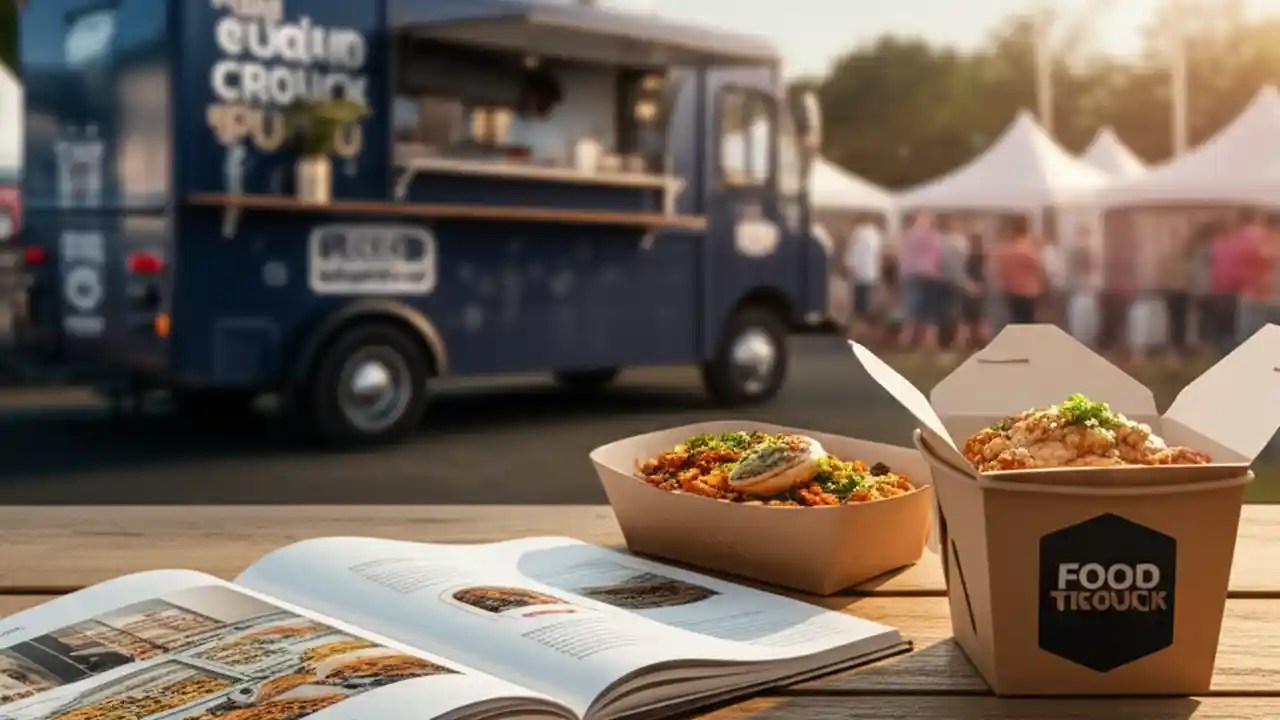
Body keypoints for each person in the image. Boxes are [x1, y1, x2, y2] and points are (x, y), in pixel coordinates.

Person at [899, 212, 943, 351]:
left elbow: (904, 257)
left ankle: (907, 339)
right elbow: (937, 256)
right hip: (929, 274)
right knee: (928, 310)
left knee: (912, 308)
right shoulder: (932, 236)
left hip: (913, 274)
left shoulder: (908, 236)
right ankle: (929, 341)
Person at [506, 68, 567, 165]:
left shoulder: (554, 129)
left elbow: (554, 162)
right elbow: (512, 156)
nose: (527, 100)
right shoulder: (515, 120)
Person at [994, 216, 1043, 325]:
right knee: (1029, 323)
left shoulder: (1004, 250)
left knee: (1014, 322)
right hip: (1029, 291)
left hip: (1010, 292)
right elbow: (1039, 268)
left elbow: (1000, 272)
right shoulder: (1030, 249)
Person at [844, 219, 883, 340]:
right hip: (871, 274)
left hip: (859, 274)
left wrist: (849, 267)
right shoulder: (876, 235)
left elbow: (851, 255)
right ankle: (865, 333)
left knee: (858, 306)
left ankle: (858, 332)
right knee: (867, 305)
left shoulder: (857, 234)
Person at [1160, 223, 1195, 357]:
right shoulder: (1170, 256)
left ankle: (1180, 347)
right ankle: (1174, 348)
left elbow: (1189, 274)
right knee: (1174, 321)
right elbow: (1164, 272)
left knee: (1183, 321)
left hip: (1183, 291)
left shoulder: (1187, 256)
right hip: (1172, 291)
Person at [938, 215, 969, 349]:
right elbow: (965, 261)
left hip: (941, 279)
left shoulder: (939, 241)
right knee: (956, 310)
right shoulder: (961, 241)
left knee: (943, 310)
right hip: (956, 279)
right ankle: (955, 340)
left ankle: (944, 340)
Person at [955, 233, 989, 350]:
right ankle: (979, 342)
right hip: (979, 289)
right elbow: (985, 274)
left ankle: (964, 343)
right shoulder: (983, 257)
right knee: (978, 318)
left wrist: (968, 285)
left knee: (967, 319)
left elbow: (963, 274)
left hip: (969, 289)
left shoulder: (968, 258)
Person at [1188, 221, 1218, 353]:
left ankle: (1201, 344)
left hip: (1199, 288)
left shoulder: (1196, 248)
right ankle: (1205, 345)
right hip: (1208, 288)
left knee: (1200, 318)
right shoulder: (1211, 247)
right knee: (1207, 318)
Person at [1040, 234, 1067, 328]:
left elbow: (1049, 270)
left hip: (1050, 285)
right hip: (1058, 284)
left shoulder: (1046, 252)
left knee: (1049, 311)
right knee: (1056, 311)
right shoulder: (1057, 252)